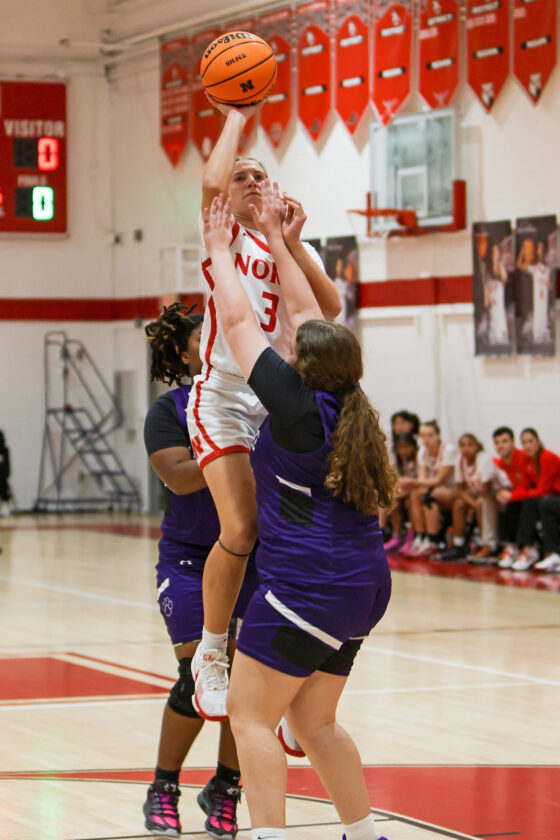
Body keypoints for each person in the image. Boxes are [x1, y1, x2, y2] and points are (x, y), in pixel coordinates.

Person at [202, 191, 393, 840]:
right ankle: (366, 836)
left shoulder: (292, 405)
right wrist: (278, 242)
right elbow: (310, 316)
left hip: (308, 589)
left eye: (292, 346)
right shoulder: (349, 399)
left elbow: (236, 326)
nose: (284, 340)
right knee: (313, 722)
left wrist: (218, 251)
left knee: (250, 718)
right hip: (364, 588)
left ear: (302, 364)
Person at [186, 98, 341, 720]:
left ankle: (285, 677)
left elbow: (326, 312)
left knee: (290, 540)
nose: (249, 182)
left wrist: (293, 243)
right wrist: (233, 116)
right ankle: (212, 650)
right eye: (241, 175)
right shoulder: (221, 232)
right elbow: (211, 182)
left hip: (279, 405)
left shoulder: (287, 246)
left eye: (260, 176)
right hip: (224, 397)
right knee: (242, 530)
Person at [142, 303, 259, 839]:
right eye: (206, 336)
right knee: (198, 678)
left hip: (257, 559)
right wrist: (236, 452)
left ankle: (226, 786)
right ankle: (164, 786)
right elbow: (181, 478)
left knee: (247, 687)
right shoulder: (171, 410)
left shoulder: (258, 401)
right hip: (191, 558)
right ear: (187, 352)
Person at [497, 428, 560, 570]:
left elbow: (543, 490)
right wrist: (508, 496)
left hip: (554, 497)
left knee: (543, 503)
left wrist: (513, 495)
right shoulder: (527, 460)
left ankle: (554, 552)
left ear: (538, 442)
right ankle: (523, 548)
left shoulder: (547, 457)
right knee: (520, 503)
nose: (527, 446)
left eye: (530, 441)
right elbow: (524, 487)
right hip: (550, 498)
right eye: (524, 443)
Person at [399, 421, 457, 556]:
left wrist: (411, 481)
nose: (427, 439)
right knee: (415, 495)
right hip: (433, 490)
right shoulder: (422, 452)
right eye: (423, 435)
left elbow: (439, 480)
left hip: (452, 491)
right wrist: (407, 483)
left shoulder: (448, 450)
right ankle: (421, 537)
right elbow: (422, 480)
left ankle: (432, 539)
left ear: (438, 436)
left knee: (425, 495)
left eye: (430, 435)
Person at [440, 434, 498, 562]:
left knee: (482, 503)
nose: (466, 449)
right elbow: (460, 489)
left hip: (492, 495)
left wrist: (475, 504)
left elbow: (486, 489)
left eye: (470, 445)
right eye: (462, 445)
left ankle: (487, 544)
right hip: (475, 496)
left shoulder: (484, 459)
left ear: (477, 446)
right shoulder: (459, 460)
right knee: (459, 504)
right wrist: (472, 503)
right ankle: (458, 543)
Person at [492, 426, 528, 567]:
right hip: (521, 495)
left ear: (513, 442)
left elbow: (527, 487)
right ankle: (507, 546)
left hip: (536, 495)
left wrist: (510, 495)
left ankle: (522, 547)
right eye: (497, 442)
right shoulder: (499, 463)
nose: (500, 446)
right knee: (499, 502)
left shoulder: (523, 458)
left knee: (514, 504)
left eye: (504, 441)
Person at [383, 432, 418, 554]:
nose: (403, 451)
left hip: (416, 493)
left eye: (406, 447)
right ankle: (396, 536)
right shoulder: (398, 462)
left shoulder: (419, 459)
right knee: (393, 499)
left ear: (414, 447)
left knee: (412, 501)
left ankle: (412, 537)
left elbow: (419, 482)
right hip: (405, 492)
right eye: (400, 448)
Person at [0, 430, 10, 516]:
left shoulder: (5, 451)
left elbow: (7, 467)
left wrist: (5, 474)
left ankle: (5, 504)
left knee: (3, 482)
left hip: (2, 475)